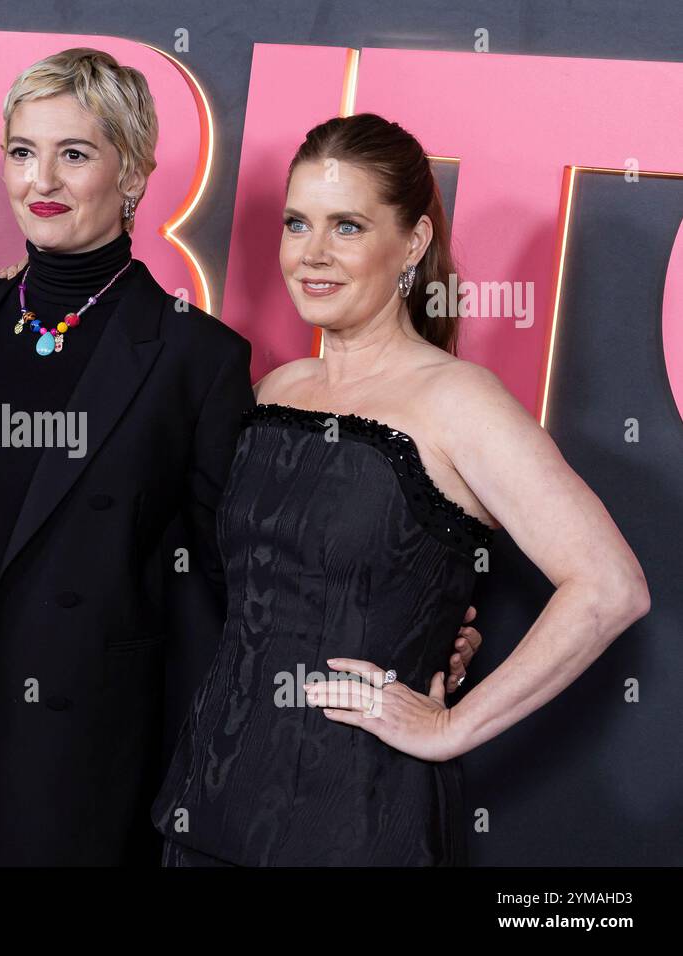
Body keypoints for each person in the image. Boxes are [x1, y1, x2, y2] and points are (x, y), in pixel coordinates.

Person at [0, 53, 482, 866]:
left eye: (75, 153)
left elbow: (236, 577)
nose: (41, 178)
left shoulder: (196, 359)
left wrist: (420, 624)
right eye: (21, 151)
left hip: (59, 761)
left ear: (134, 175)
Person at [151, 113, 651, 866]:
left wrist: (453, 724)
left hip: (354, 823)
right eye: (297, 223)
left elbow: (611, 587)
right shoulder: (278, 387)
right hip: (205, 806)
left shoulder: (459, 401)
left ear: (412, 243)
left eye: (347, 227)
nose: (311, 255)